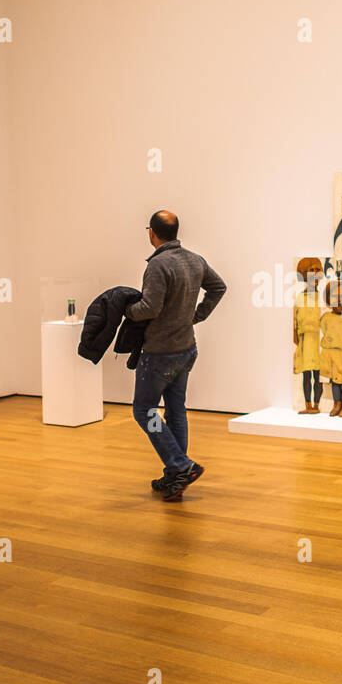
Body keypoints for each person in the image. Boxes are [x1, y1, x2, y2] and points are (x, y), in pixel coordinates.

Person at [124, 210, 226, 501]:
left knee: (144, 411)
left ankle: (181, 465)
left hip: (159, 353)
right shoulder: (195, 260)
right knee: (176, 409)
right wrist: (195, 317)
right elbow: (219, 287)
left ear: (152, 233)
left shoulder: (158, 265)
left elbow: (150, 308)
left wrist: (128, 310)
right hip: (186, 349)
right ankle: (175, 476)